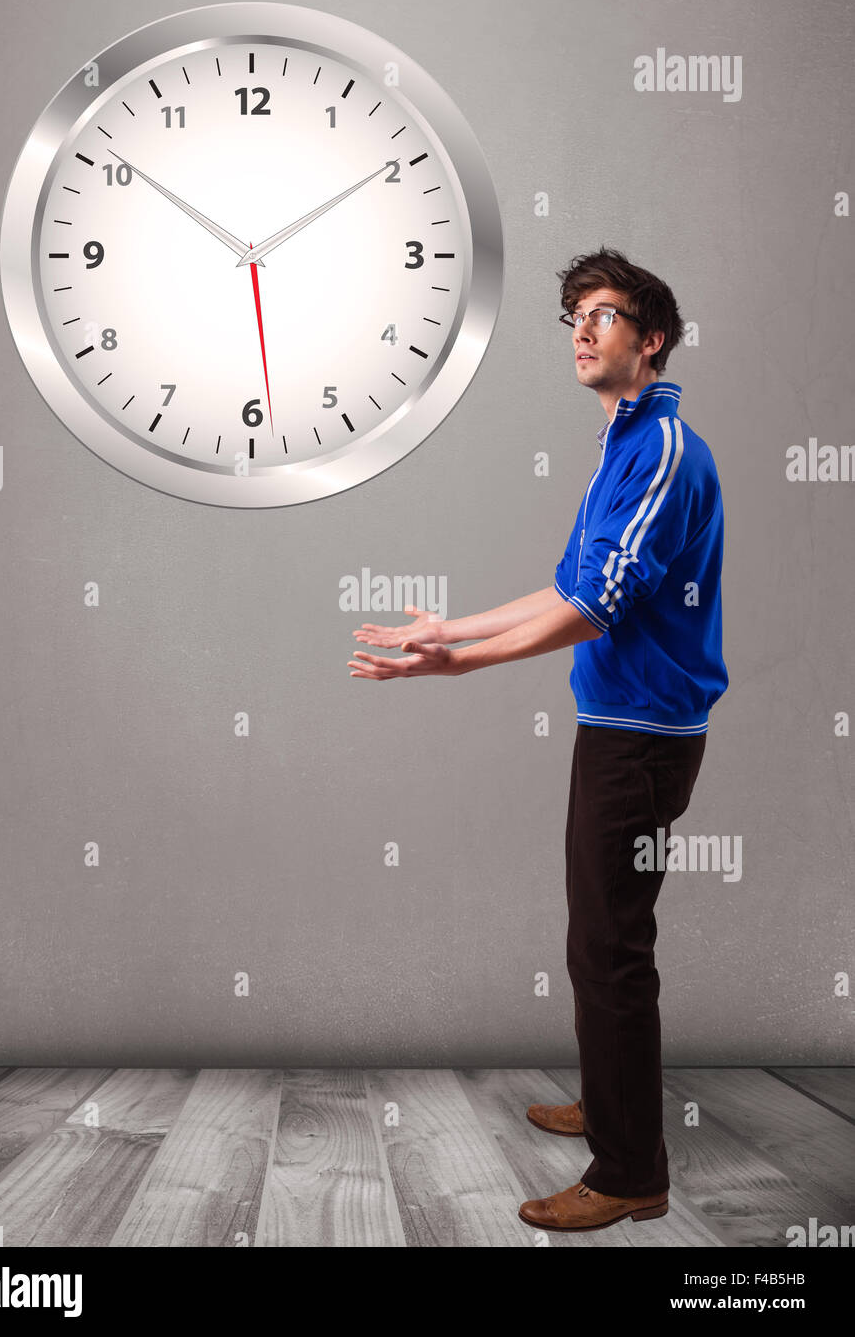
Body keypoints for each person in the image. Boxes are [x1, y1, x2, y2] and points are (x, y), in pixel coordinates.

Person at [348, 245, 728, 1233]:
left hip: (642, 735)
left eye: (603, 315)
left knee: (611, 947)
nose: (583, 331)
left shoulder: (665, 449)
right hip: (618, 722)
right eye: (573, 318)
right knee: (594, 937)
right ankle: (612, 1106)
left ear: (650, 340)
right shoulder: (623, 441)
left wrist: (464, 665)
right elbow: (567, 582)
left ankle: (631, 1171)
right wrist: (452, 628)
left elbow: (599, 605)